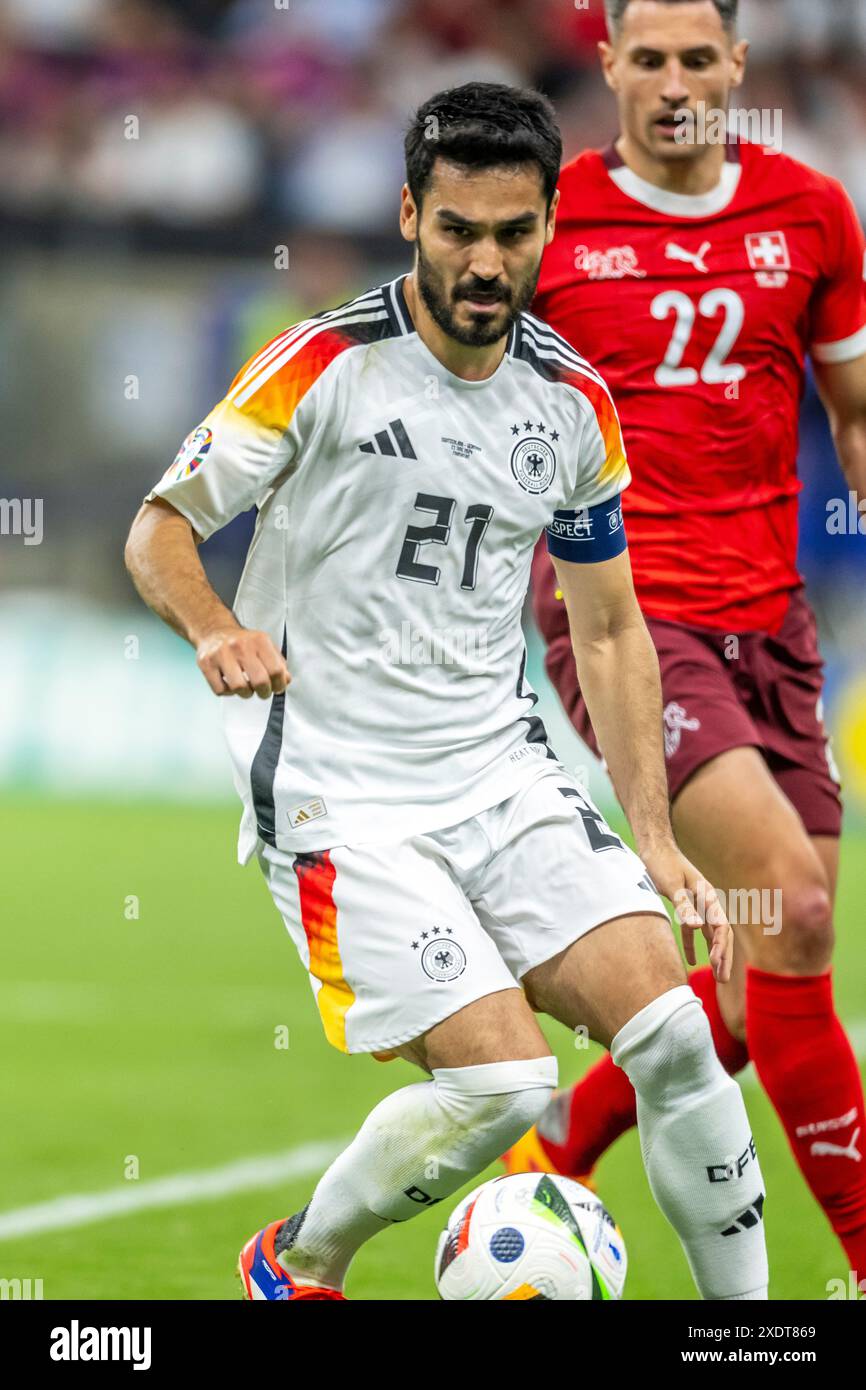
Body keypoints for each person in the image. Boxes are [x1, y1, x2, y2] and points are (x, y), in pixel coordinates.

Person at [125, 81, 767, 1302]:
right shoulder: (320, 368)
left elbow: (612, 626)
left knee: (680, 1039)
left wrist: (655, 837)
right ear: (409, 214)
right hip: (336, 792)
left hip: (497, 770)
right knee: (506, 1086)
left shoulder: (573, 405)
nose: (484, 261)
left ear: (547, 225)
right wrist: (212, 627)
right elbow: (160, 527)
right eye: (456, 230)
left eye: (512, 233)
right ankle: (297, 1264)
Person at [503, 0, 866, 1283]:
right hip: (627, 620)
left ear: (736, 69)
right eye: (643, 58)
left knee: (761, 959)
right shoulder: (546, 226)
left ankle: (558, 1136)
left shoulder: (810, 212)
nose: (670, 82)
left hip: (770, 620)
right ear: (605, 66)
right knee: (803, 909)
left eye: (693, 58)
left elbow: (853, 413)